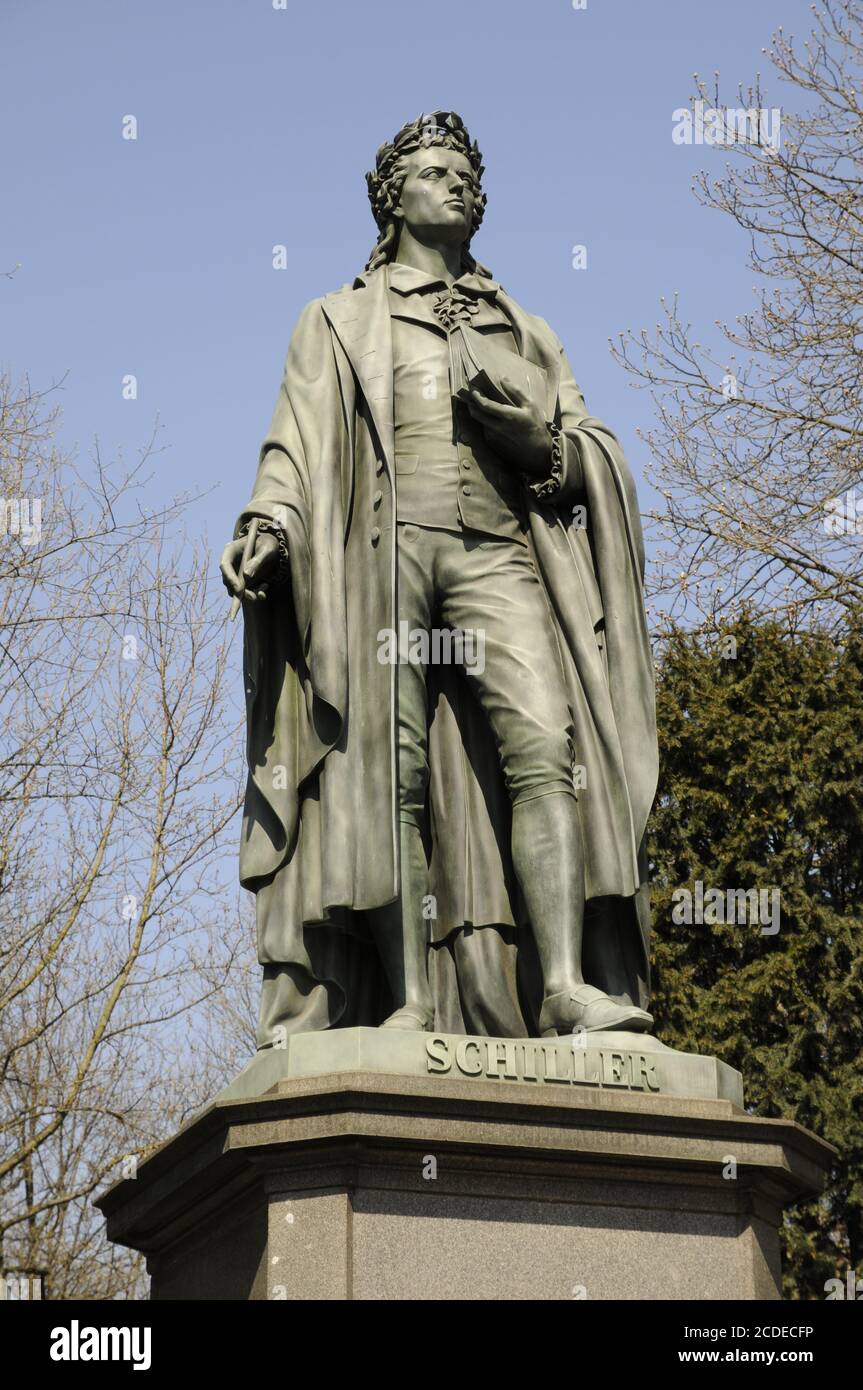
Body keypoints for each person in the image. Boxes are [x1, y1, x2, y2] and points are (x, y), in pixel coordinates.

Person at [220, 111, 658, 1046]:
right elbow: (294, 447)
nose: (455, 183)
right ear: (392, 199)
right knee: (391, 772)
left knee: (547, 750)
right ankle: (410, 999)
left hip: (502, 555)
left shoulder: (525, 330)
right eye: (432, 171)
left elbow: (589, 453)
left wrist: (535, 440)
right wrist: (267, 524)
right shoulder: (339, 320)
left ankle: (567, 987)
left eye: (464, 171)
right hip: (385, 560)